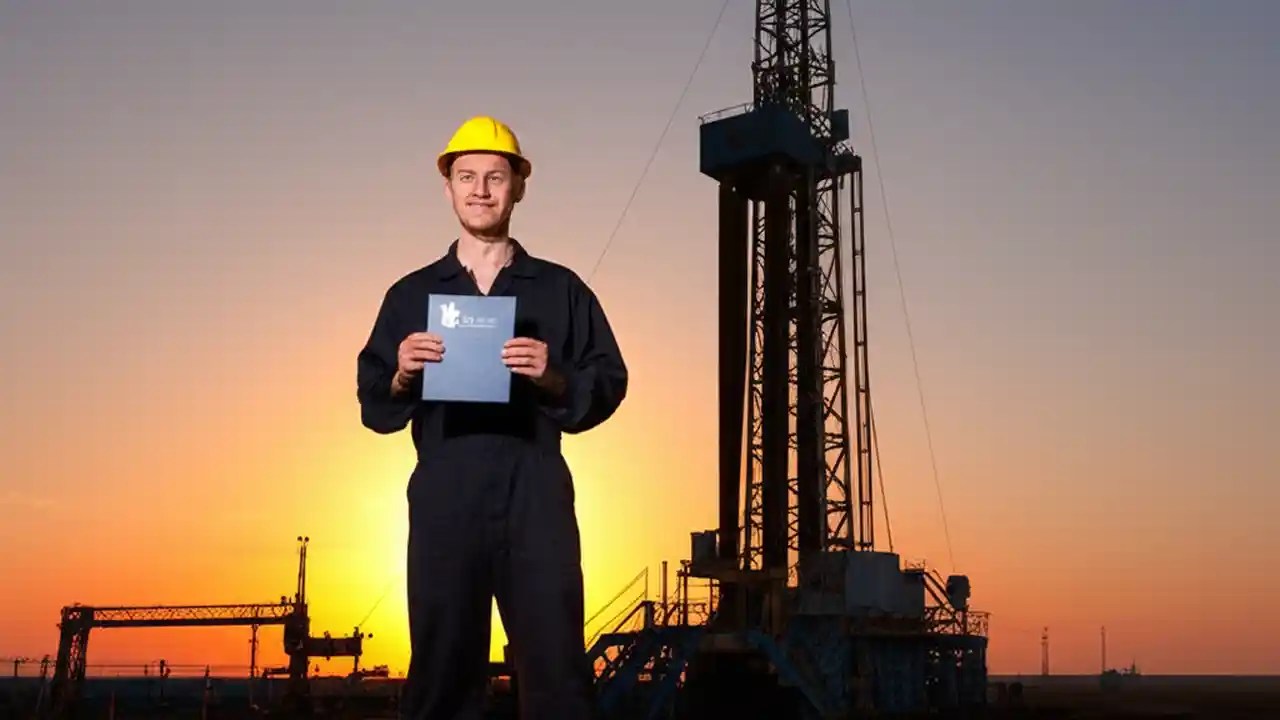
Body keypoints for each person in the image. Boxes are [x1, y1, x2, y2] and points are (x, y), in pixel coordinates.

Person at [356, 115, 627, 720]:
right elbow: (373, 403)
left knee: (556, 668)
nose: (480, 189)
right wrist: (401, 374)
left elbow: (610, 382)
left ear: (519, 187)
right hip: (445, 493)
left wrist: (554, 376)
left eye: (495, 177)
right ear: (448, 187)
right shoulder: (410, 295)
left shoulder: (561, 291)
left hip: (535, 492)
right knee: (442, 669)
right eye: (467, 176)